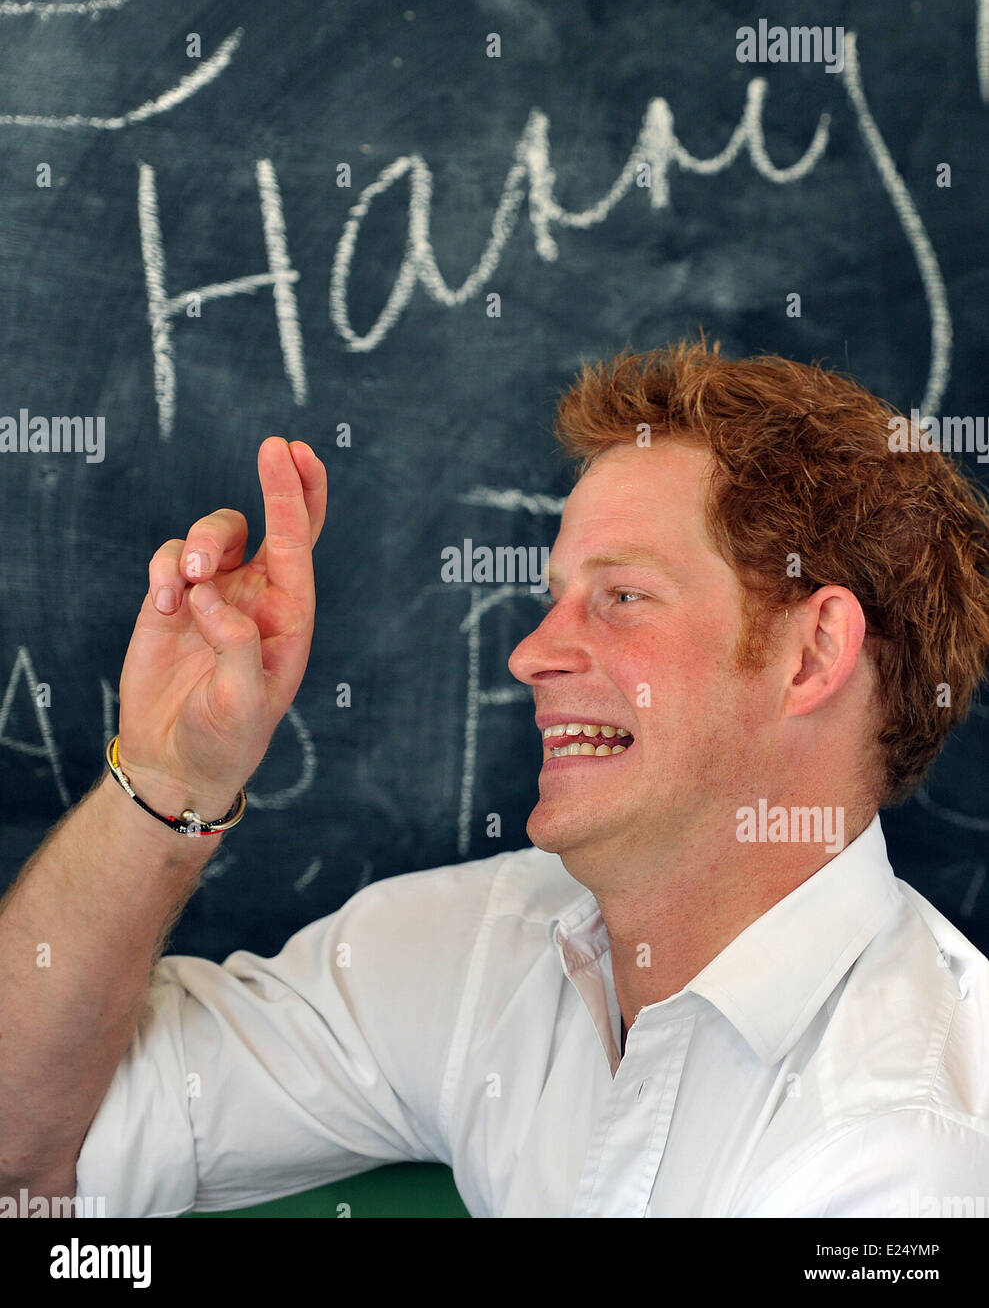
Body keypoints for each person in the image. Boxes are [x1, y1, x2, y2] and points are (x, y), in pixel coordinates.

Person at [3, 339, 989, 1219]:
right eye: (554, 595)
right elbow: (28, 1155)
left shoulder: (908, 1142)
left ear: (811, 654)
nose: (528, 654)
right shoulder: (484, 949)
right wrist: (168, 775)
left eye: (622, 596)